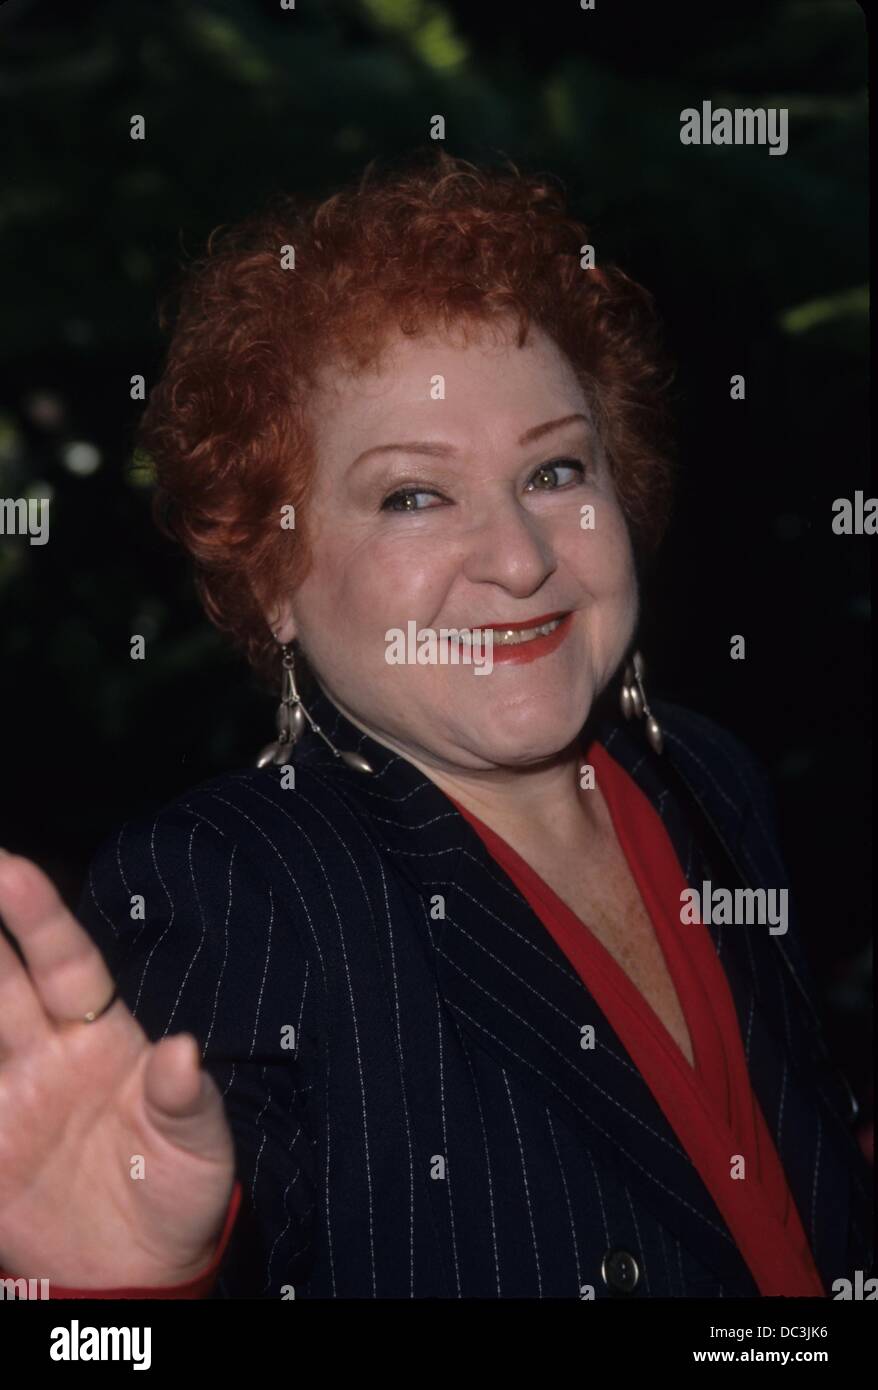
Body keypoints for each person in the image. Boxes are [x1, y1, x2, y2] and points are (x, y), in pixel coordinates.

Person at [0, 151, 871, 1299]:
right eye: (414, 495)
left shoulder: (706, 779)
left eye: (555, 469)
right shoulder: (231, 886)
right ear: (274, 574)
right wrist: (132, 1290)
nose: (518, 558)